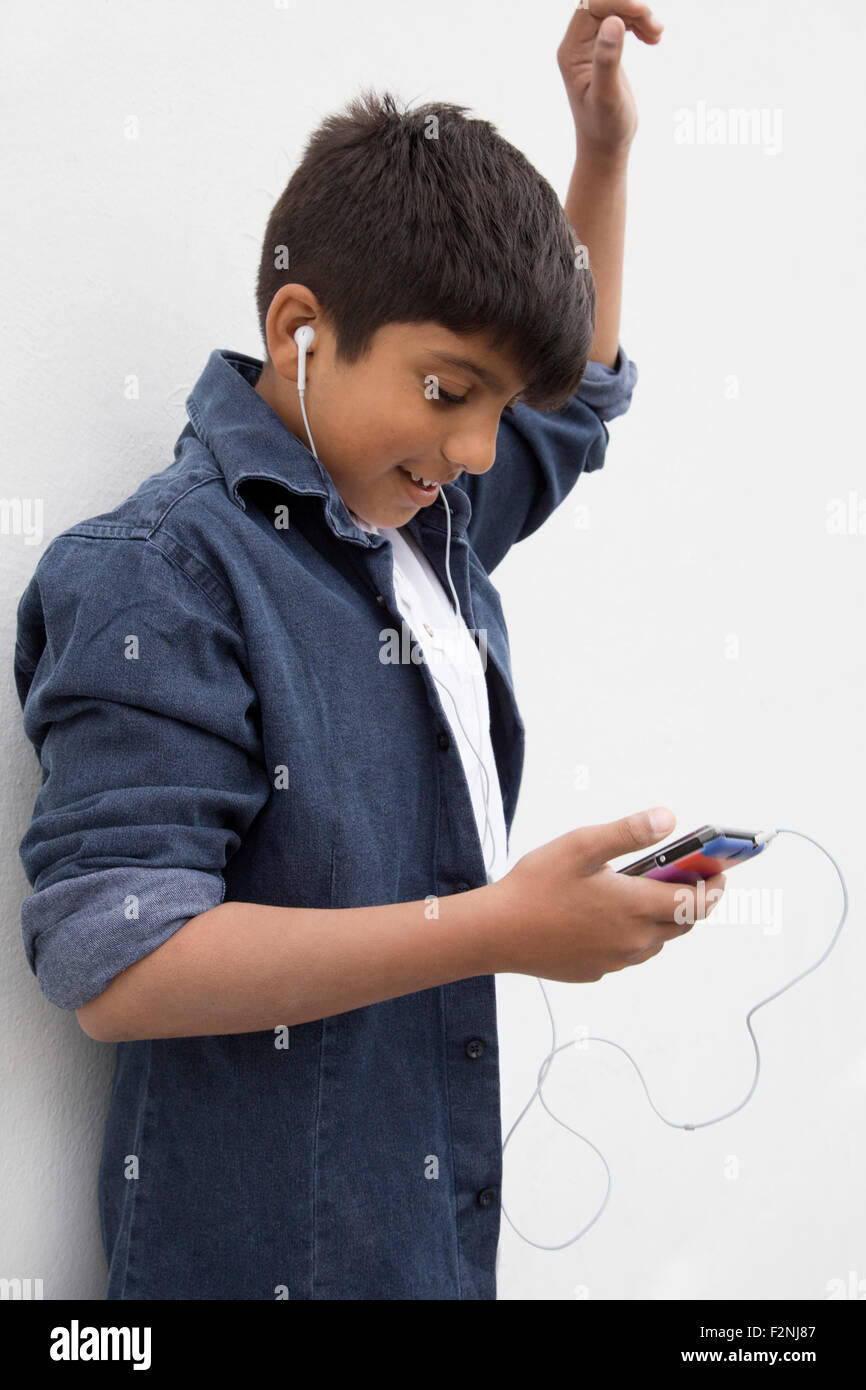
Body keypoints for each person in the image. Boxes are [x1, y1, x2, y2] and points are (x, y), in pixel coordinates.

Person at [14, 5, 725, 1300]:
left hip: (427, 1249)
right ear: (298, 326)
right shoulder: (161, 574)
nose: (472, 451)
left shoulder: (421, 512)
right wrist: (495, 928)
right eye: (448, 393)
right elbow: (121, 961)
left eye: (496, 412)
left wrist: (602, 151)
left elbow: (582, 397)